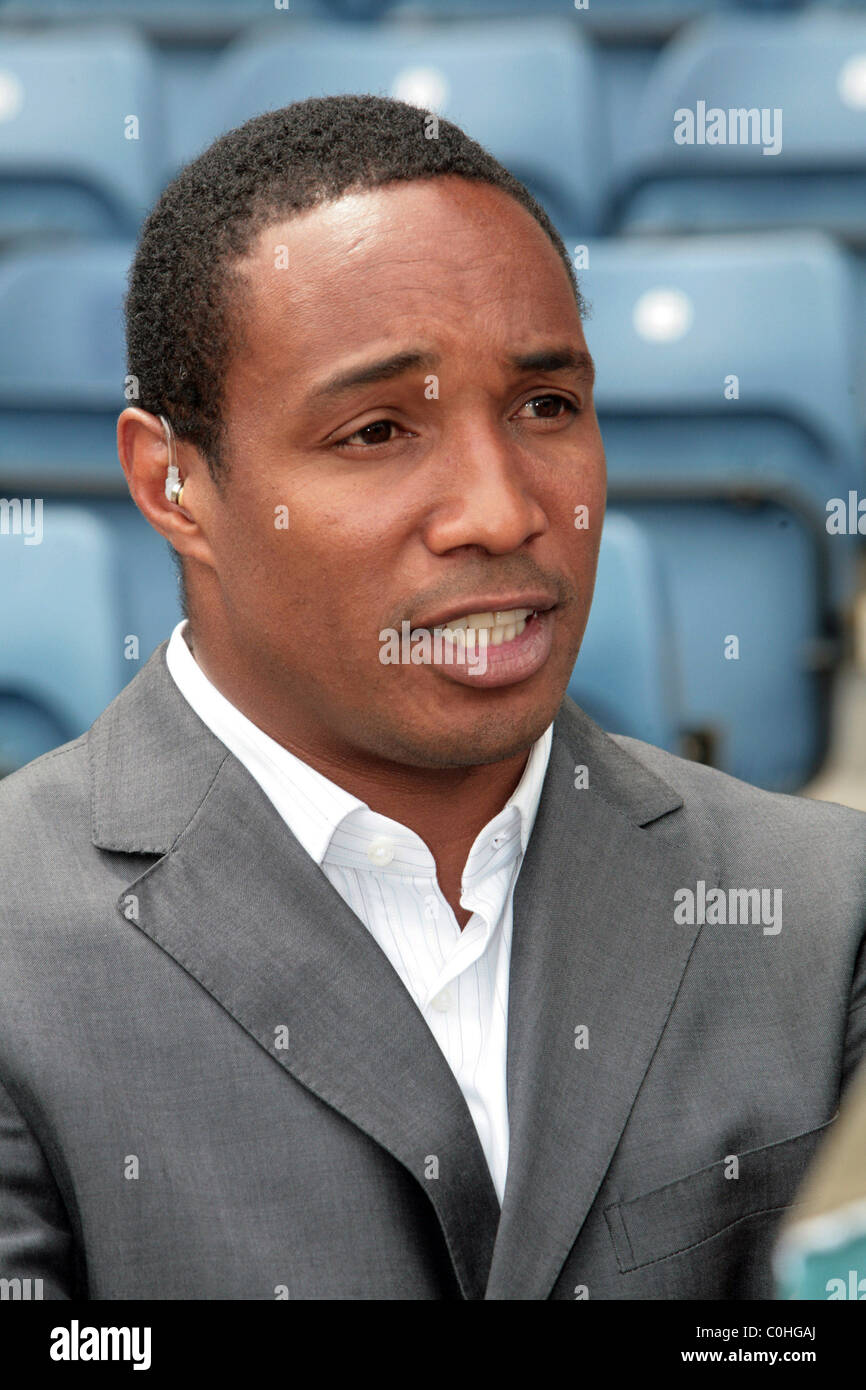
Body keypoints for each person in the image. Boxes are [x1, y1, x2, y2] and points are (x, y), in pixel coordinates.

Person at [1, 95, 864, 1301]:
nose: (503, 509)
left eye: (545, 406)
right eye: (374, 431)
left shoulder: (826, 909)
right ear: (174, 482)